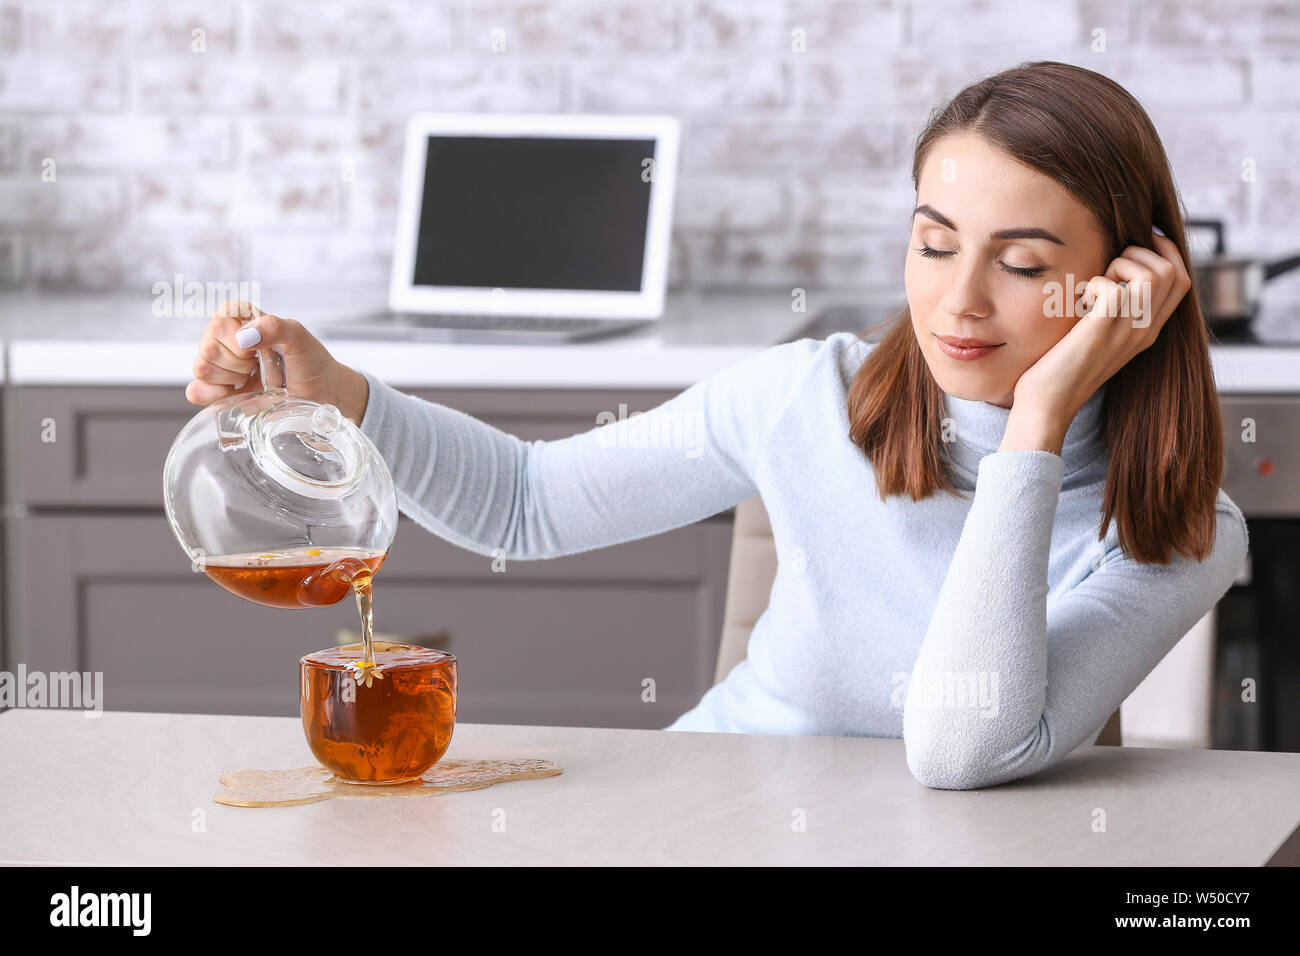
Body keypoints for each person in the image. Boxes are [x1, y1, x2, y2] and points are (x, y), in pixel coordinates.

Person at [186, 61, 1247, 790]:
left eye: (1020, 264)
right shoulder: (804, 394)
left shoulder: (1180, 527)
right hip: (710, 814)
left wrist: (1041, 419)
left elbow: (959, 745)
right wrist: (340, 391)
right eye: (934, 243)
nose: (957, 300)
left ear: (1125, 289)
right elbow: (524, 503)